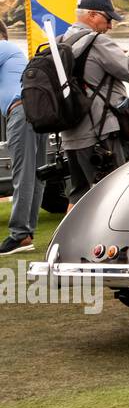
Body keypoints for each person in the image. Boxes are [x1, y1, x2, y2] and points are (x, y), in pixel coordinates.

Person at [58, 0, 129, 206]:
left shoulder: (61, 42)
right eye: (108, 19)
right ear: (93, 15)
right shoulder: (97, 42)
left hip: (70, 134)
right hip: (99, 133)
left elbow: (87, 72)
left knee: (78, 196)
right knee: (114, 196)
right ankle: (113, 239)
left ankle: (66, 240)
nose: (110, 26)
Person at [0, 22, 44, 255]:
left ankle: (18, 235)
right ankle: (26, 234)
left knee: (24, 173)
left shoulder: (3, 46)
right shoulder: (13, 55)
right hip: (37, 111)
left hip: (22, 111)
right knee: (36, 173)